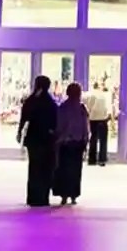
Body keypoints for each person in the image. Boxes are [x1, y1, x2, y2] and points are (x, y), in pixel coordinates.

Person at [18, 75, 58, 206]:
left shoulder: (32, 100)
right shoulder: (50, 102)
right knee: (45, 167)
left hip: (33, 137)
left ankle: (33, 196)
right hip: (46, 137)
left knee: (34, 166)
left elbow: (24, 117)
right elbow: (55, 120)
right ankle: (43, 196)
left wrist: (20, 132)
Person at [53, 82, 90, 205]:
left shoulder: (62, 107)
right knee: (76, 169)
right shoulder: (82, 108)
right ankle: (74, 194)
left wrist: (58, 138)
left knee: (64, 169)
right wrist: (86, 140)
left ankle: (64, 194)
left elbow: (59, 124)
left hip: (65, 142)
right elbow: (86, 126)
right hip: (78, 142)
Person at [85, 82, 112, 167]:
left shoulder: (89, 95)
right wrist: (109, 116)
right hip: (103, 119)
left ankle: (92, 159)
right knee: (103, 140)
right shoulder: (105, 95)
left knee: (93, 139)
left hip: (93, 119)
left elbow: (87, 107)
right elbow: (108, 107)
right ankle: (102, 159)